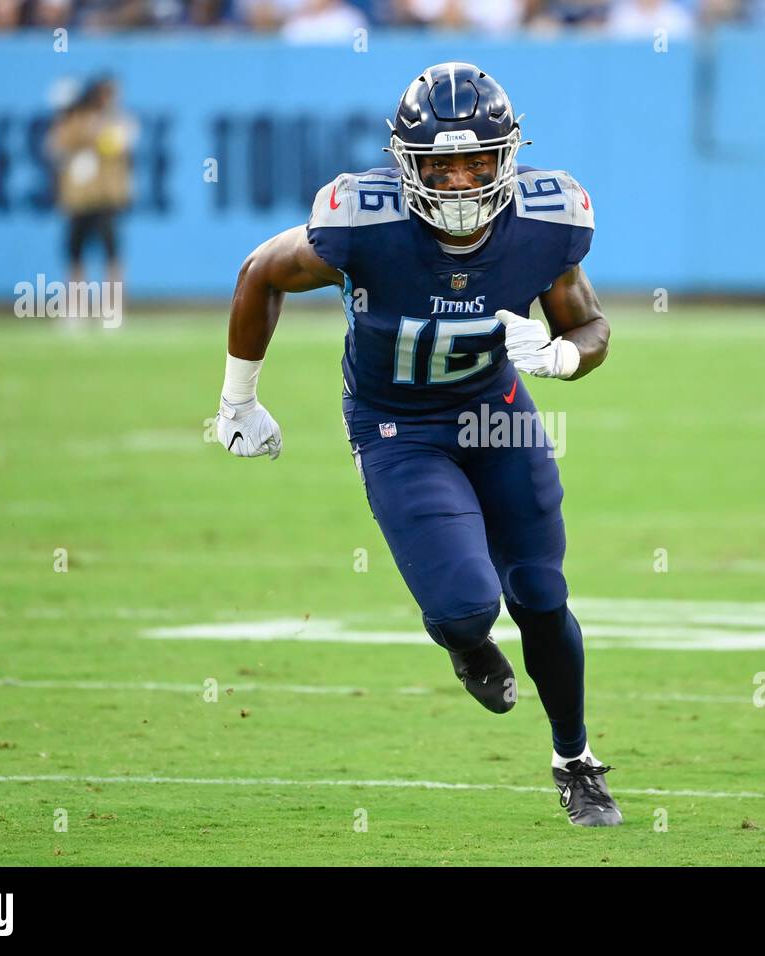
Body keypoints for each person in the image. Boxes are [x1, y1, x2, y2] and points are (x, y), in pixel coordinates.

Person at [213, 63, 620, 827]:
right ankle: (466, 643)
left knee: (541, 593)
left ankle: (576, 761)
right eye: (441, 165)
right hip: (398, 429)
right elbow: (258, 272)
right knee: (468, 606)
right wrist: (239, 397)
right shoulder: (360, 222)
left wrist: (563, 356)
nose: (462, 181)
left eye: (478, 161)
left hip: (495, 412)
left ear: (509, 157)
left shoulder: (545, 219)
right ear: (407, 165)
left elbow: (588, 324)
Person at [46, 76, 135, 296]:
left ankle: (112, 308)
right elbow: (55, 147)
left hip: (104, 198)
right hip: (79, 199)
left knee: (111, 253)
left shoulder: (114, 122)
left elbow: (117, 143)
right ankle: (75, 306)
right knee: (75, 254)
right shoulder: (73, 121)